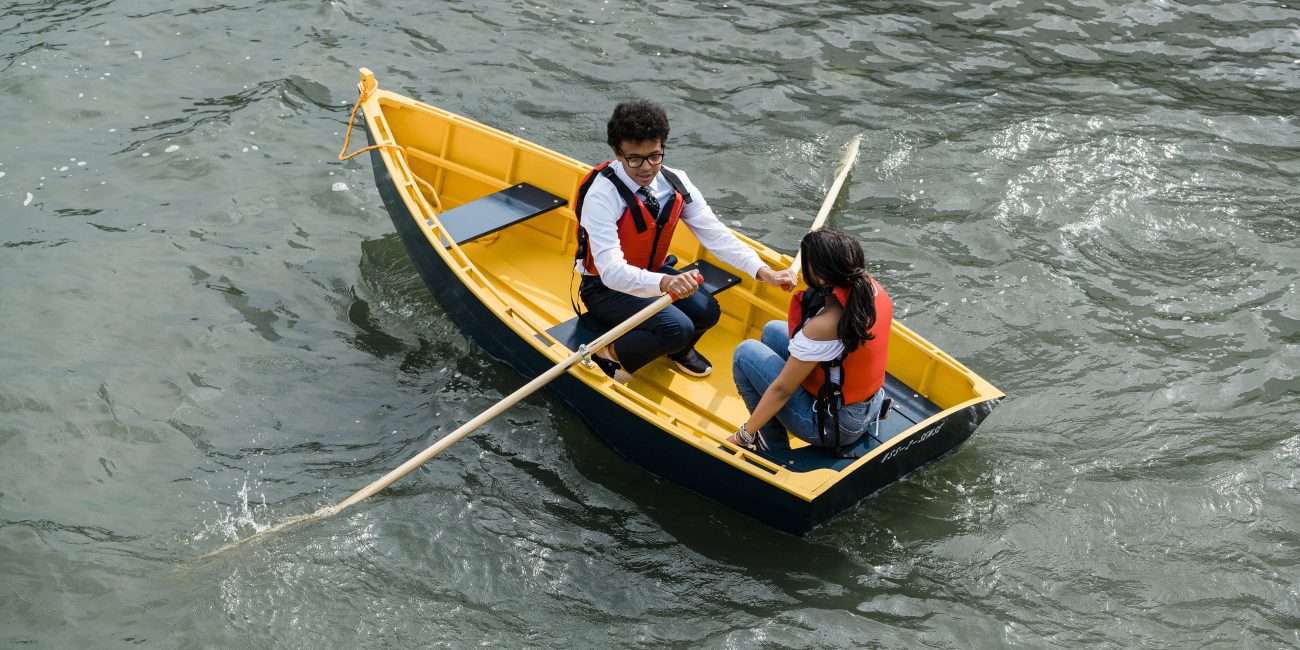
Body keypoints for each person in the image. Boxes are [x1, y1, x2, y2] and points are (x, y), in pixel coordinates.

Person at [574, 100, 796, 382]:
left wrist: (764, 271)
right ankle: (610, 355)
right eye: (635, 159)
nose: (647, 168)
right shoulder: (601, 195)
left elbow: (715, 233)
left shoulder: (675, 182)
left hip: (651, 273)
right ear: (618, 153)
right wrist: (665, 283)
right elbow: (611, 271)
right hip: (604, 289)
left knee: (708, 311)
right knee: (676, 328)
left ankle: (677, 350)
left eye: (655, 156)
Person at [726, 228, 893, 455]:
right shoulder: (869, 289)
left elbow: (782, 391)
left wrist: (742, 433)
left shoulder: (825, 325)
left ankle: (768, 444)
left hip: (836, 426)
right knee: (772, 330)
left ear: (823, 277)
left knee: (745, 353)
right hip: (868, 404)